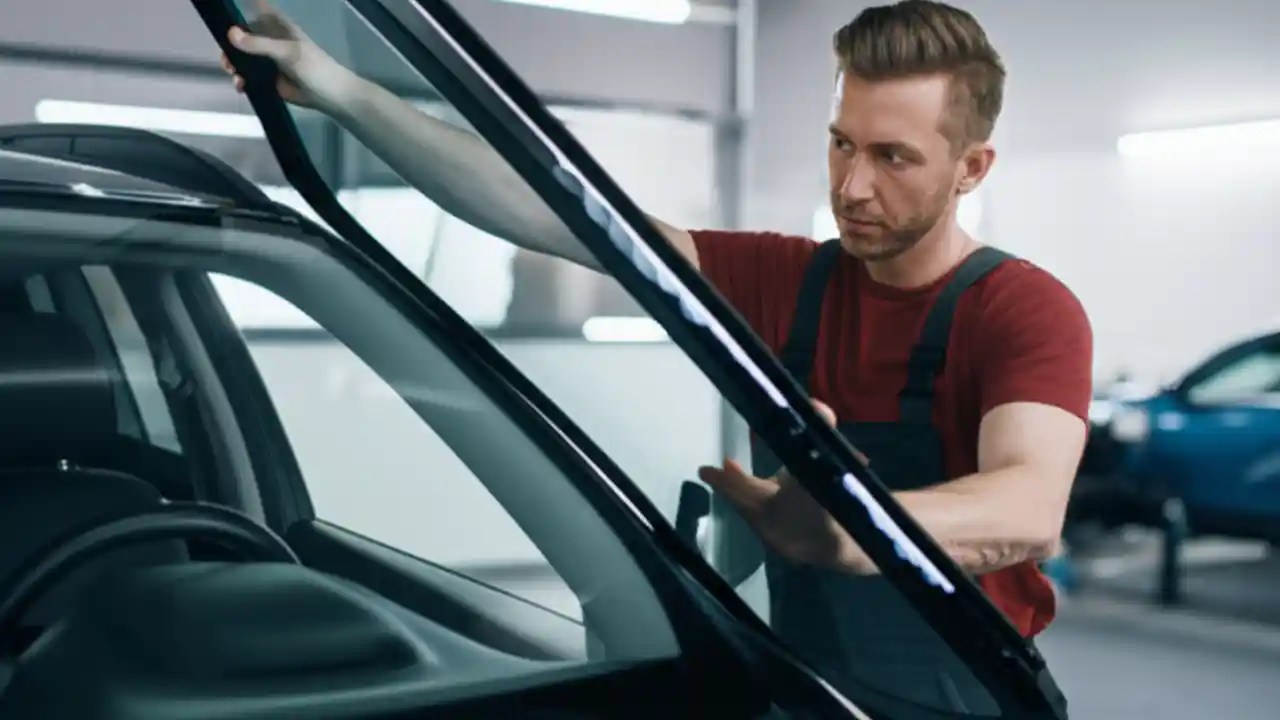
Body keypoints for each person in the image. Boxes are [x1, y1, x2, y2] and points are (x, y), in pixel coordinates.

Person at [223, 0, 1090, 711]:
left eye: (894, 157)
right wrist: (345, 92)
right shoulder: (785, 278)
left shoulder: (1020, 309)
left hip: (970, 698)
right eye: (841, 143)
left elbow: (1028, 505)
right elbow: (556, 213)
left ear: (973, 167)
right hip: (815, 687)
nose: (853, 186)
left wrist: (854, 531)